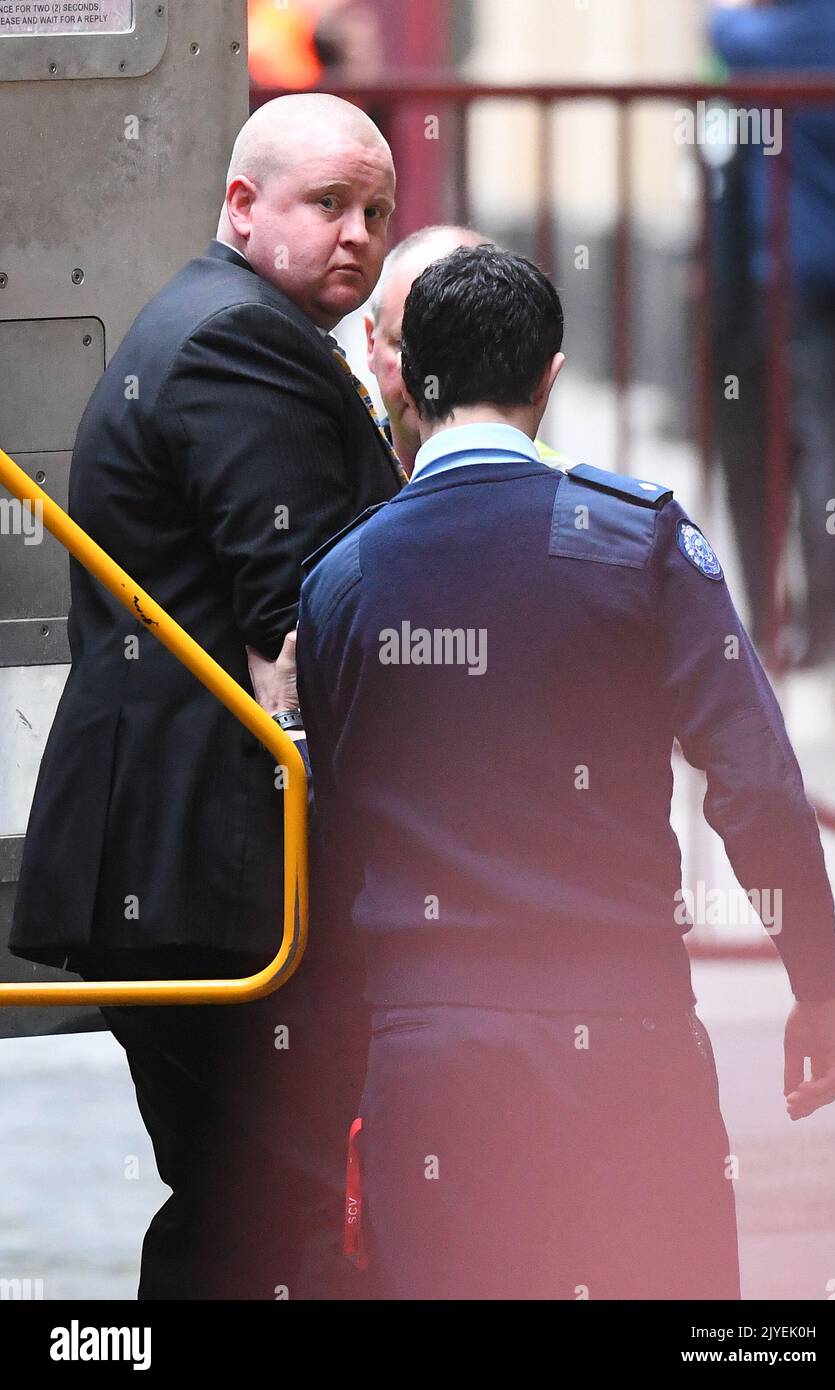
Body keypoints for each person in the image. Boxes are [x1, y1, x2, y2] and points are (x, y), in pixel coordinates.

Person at [296, 245, 835, 1300]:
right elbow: (757, 783)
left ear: (408, 382)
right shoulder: (634, 544)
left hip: (428, 1046)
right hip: (621, 1029)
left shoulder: (340, 579)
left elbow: (334, 820)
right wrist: (815, 982)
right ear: (548, 376)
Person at [10, 93, 402, 1299]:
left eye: (377, 211)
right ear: (243, 205)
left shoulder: (226, 322)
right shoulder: (242, 341)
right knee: (266, 1204)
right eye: (326, 204)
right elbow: (303, 607)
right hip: (215, 868)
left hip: (189, 862)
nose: (357, 234)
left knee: (243, 1196)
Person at [710, 0, 835, 667]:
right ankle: (827, 618)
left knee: (816, 430)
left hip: (796, 265)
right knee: (833, 424)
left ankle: (820, 625)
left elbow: (719, 25)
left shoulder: (764, 36)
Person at [365, 222, 571, 476]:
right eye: (405, 343)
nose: (441, 375)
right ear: (370, 343)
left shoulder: (565, 491)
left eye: (471, 343)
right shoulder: (332, 492)